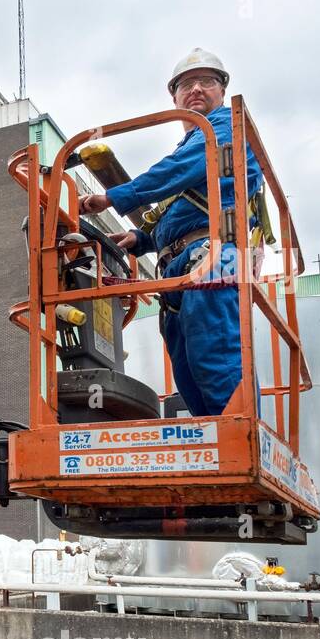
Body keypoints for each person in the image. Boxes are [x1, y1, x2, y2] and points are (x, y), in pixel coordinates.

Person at [78, 48, 261, 417]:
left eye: (206, 81)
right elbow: (184, 207)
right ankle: (215, 443)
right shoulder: (193, 145)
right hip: (179, 267)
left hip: (213, 256)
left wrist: (114, 197)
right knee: (189, 370)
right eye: (186, 84)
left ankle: (239, 439)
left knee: (216, 355)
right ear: (174, 97)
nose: (196, 89)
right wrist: (142, 239)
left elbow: (176, 171)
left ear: (222, 91)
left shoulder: (224, 126)